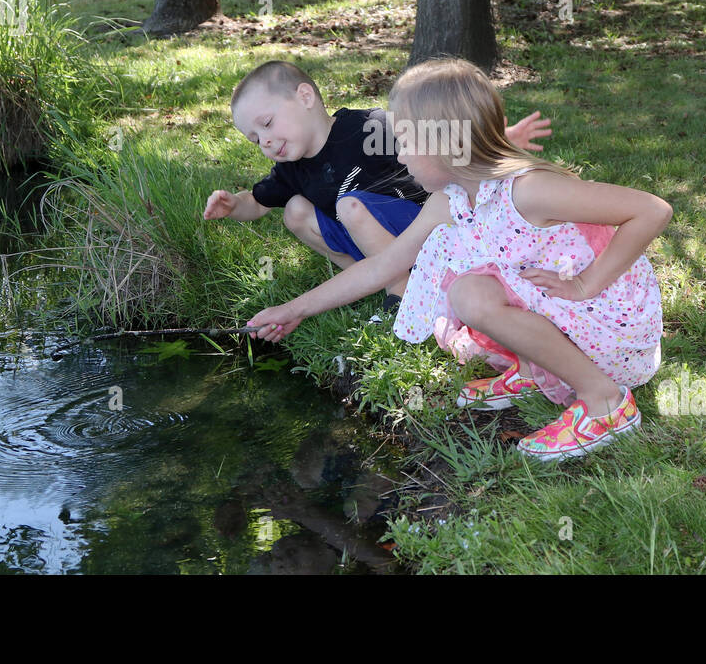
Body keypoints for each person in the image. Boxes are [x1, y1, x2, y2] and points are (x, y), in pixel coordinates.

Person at [248, 57, 673, 461]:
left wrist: (586, 283)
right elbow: (381, 267)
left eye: (407, 142)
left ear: (446, 143)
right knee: (472, 288)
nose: (399, 155)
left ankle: (605, 401)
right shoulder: (449, 200)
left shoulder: (528, 190)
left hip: (610, 329)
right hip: (569, 318)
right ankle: (534, 370)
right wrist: (294, 309)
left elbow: (652, 210)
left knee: (474, 296)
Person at [204, 60, 551, 303]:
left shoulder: (366, 130)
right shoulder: (291, 168)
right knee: (294, 210)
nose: (264, 141)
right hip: (369, 240)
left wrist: (497, 136)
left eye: (267, 123)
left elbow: (433, 138)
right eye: (254, 138)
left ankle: (400, 292)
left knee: (349, 206)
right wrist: (234, 205)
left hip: (419, 229)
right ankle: (365, 279)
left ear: (305, 97)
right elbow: (258, 202)